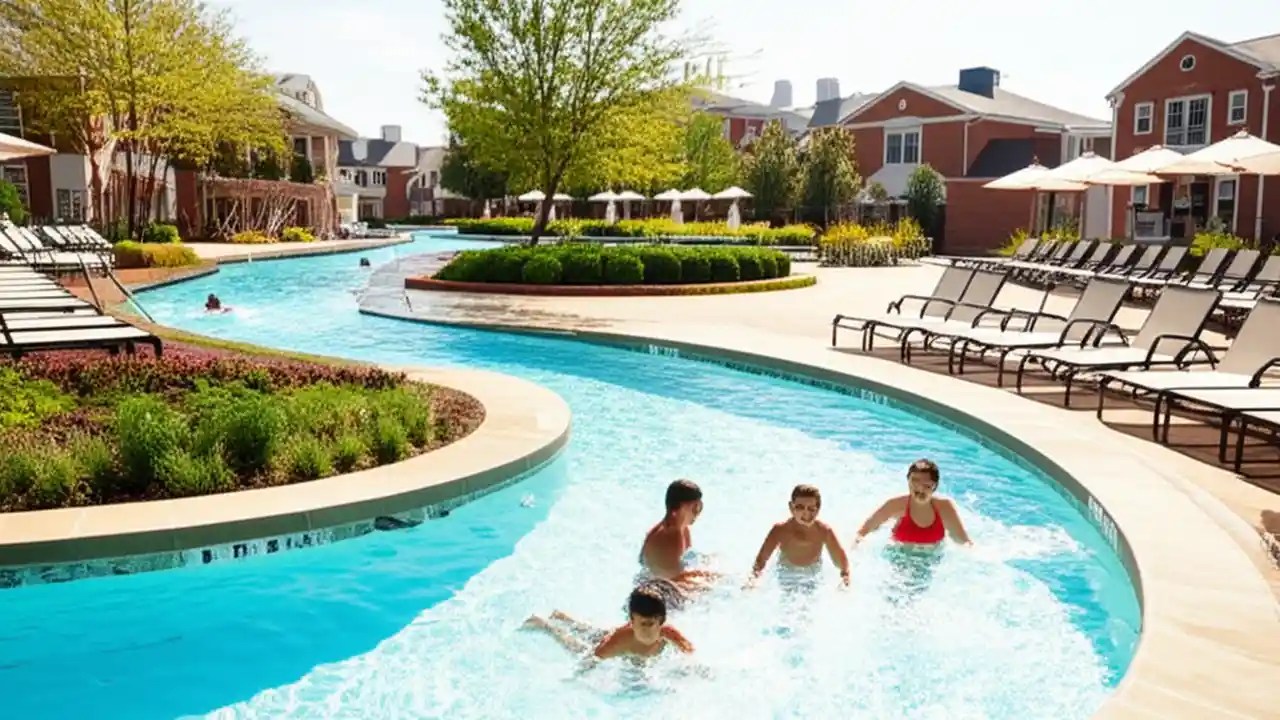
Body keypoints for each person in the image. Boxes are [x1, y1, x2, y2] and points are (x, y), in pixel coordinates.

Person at [524, 586, 694, 666]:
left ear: (661, 621)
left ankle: (563, 618)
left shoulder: (669, 633)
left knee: (593, 632)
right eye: (643, 624)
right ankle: (546, 626)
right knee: (577, 647)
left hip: (613, 635)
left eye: (652, 624)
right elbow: (590, 660)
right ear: (632, 622)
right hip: (615, 639)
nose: (648, 629)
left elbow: (690, 654)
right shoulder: (619, 641)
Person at [748, 484, 851, 587]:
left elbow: (842, 562)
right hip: (786, 576)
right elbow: (760, 561)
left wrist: (845, 579)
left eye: (811, 509)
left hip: (812, 577)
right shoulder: (780, 530)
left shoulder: (824, 532)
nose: (806, 513)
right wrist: (752, 581)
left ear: (818, 509)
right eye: (800, 507)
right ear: (791, 507)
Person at [854, 459, 972, 547]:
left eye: (926, 485)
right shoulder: (895, 505)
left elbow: (964, 542)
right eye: (915, 482)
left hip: (932, 563)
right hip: (898, 563)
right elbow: (863, 531)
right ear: (908, 481)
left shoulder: (944, 508)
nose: (920, 489)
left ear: (935, 486)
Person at [639, 479, 716, 582]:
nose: (697, 513)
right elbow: (675, 581)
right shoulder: (671, 534)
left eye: (700, 507)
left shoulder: (683, 530)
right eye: (695, 508)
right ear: (677, 509)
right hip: (656, 590)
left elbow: (688, 562)